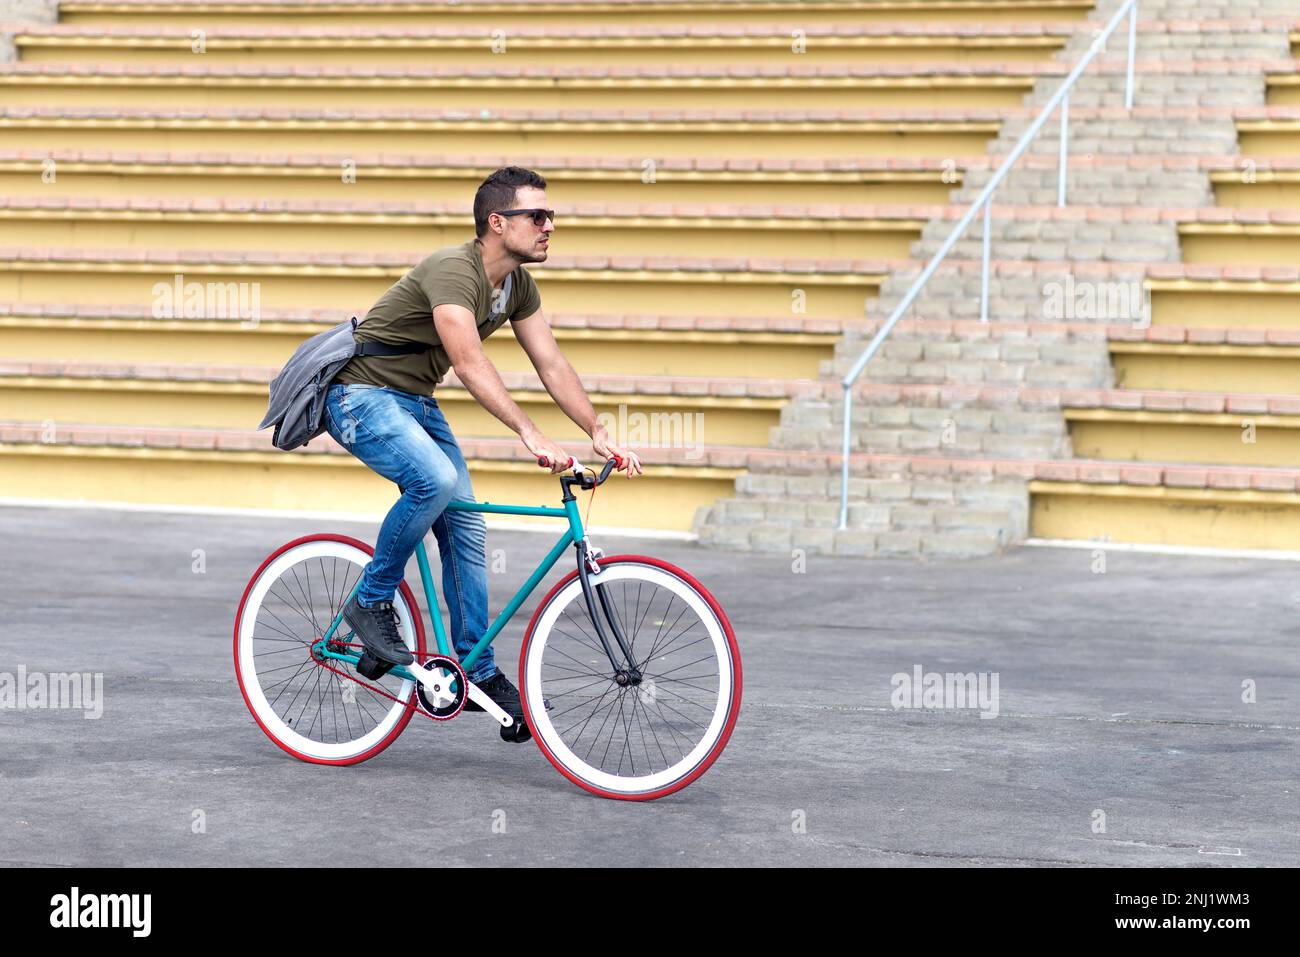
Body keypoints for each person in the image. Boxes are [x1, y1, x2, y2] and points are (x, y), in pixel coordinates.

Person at [325, 166, 643, 741]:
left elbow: (550, 362)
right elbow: (469, 362)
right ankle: (370, 606)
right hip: (359, 395)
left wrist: (595, 429)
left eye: (553, 217)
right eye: (537, 216)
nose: (550, 226)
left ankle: (475, 667)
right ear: (497, 223)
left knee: (466, 527)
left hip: (412, 402)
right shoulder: (453, 270)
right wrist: (530, 433)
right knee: (436, 482)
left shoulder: (518, 284)